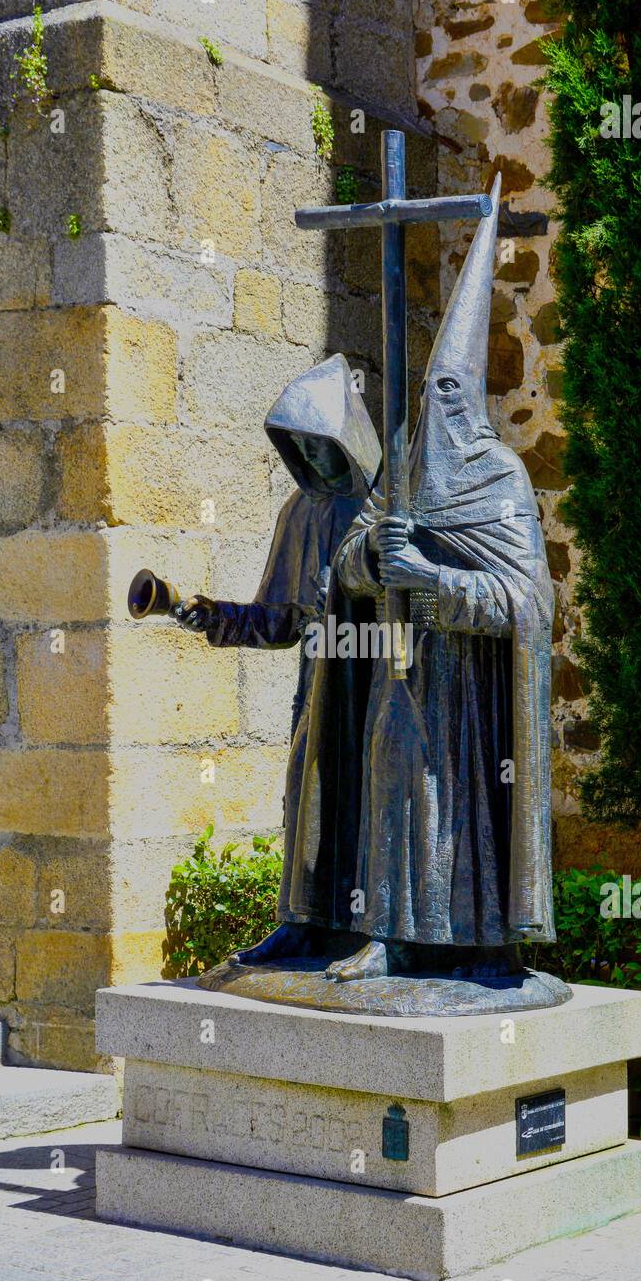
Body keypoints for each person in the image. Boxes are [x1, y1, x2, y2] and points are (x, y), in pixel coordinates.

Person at [288, 177, 557, 982]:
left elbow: (527, 602)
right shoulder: (399, 474)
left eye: (451, 389)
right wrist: (375, 563)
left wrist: (432, 579)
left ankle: (474, 943)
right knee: (388, 792)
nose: (437, 404)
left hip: (470, 695)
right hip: (395, 676)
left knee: (457, 810)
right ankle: (384, 933)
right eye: (428, 390)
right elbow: (347, 561)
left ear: (470, 396)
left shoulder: (501, 478)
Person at [174, 354, 380, 960]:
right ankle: (303, 922)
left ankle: (377, 937)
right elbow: (276, 621)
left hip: (376, 683)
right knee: (307, 794)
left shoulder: (387, 509)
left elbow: (416, 607)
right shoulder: (301, 511)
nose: (315, 461)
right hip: (318, 688)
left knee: (370, 801)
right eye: (302, 449)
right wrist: (210, 614)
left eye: (323, 447)